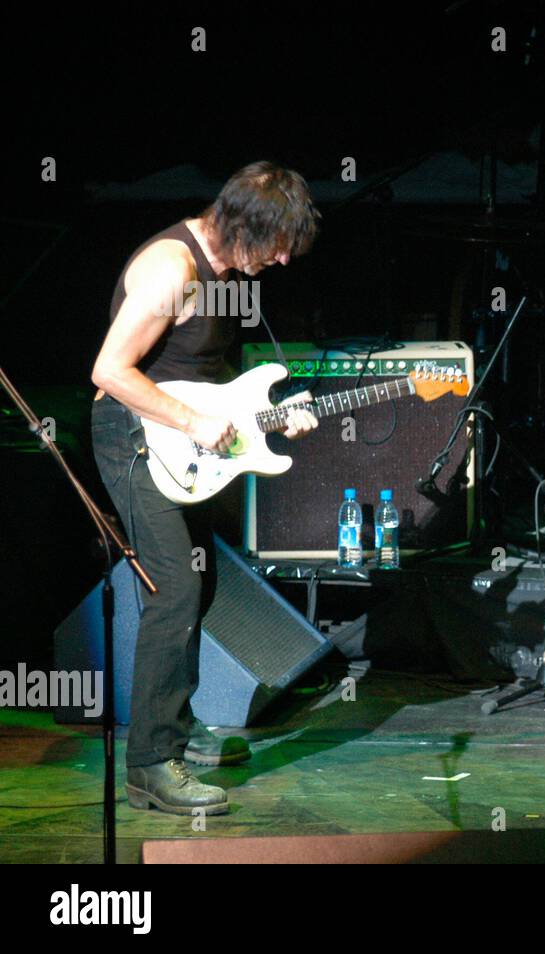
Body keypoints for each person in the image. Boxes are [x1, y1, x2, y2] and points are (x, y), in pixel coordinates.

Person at [90, 161, 321, 814]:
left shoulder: (225, 276)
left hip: (180, 441)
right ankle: (149, 768)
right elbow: (110, 370)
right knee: (176, 588)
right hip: (132, 435)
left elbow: (202, 374)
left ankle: (176, 733)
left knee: (204, 581)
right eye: (276, 244)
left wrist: (270, 418)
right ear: (246, 225)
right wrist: (194, 420)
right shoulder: (173, 267)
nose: (280, 259)